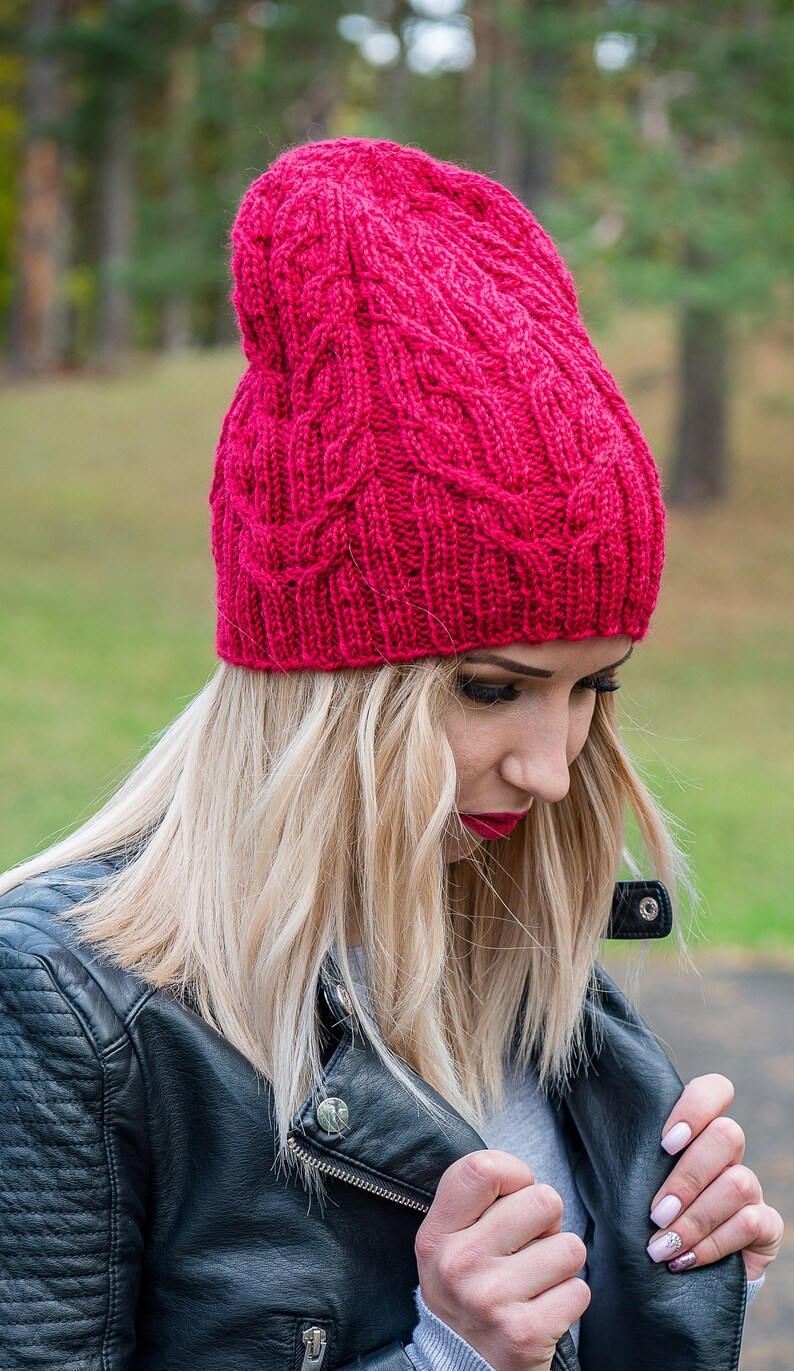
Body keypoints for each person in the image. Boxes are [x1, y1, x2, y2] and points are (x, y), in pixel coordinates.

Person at [0, 137, 782, 1371]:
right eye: (489, 687)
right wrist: (448, 1360)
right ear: (324, 687)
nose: (547, 766)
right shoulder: (59, 1011)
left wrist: (662, 1273)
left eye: (591, 689)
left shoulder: (513, 939)